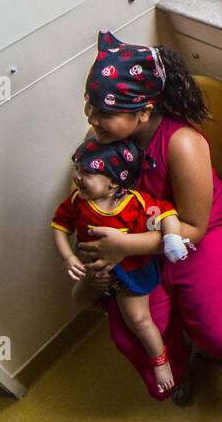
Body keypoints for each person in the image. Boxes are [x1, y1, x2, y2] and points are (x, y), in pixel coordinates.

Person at [77, 30, 222, 403]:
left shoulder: (184, 145)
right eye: (89, 105)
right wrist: (93, 255)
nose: (92, 118)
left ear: (144, 112)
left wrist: (123, 247)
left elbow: (193, 228)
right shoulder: (104, 144)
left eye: (105, 112)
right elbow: (94, 202)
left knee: (217, 333)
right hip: (139, 240)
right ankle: (174, 372)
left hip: (196, 235)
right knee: (134, 333)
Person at [52, 138, 191, 394]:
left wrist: (171, 238)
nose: (78, 177)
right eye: (78, 169)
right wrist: (68, 257)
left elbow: (167, 212)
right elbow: (60, 227)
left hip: (131, 274)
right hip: (97, 272)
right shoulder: (76, 202)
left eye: (88, 172)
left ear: (114, 182)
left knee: (138, 320)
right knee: (79, 298)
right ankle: (110, 304)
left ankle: (160, 360)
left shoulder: (135, 203)